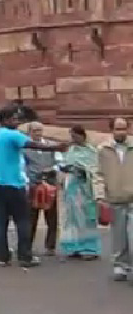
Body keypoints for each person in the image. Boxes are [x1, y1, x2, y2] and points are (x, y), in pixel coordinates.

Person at [0, 106, 67, 268]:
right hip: (14, 184)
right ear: (5, 120)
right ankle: (24, 257)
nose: (17, 122)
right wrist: (56, 147)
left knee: (1, 221)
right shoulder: (13, 134)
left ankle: (3, 256)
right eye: (14, 119)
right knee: (23, 221)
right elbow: (33, 145)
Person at [95, 117, 133, 282]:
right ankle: (120, 265)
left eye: (124, 128)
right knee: (119, 235)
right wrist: (99, 195)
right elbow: (98, 174)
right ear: (112, 130)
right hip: (115, 197)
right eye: (118, 129)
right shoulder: (103, 149)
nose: (121, 132)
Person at [58, 125, 101, 260]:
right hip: (71, 187)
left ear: (82, 136)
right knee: (71, 219)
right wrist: (66, 168)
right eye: (72, 136)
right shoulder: (70, 150)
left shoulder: (91, 151)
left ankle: (89, 248)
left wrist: (83, 170)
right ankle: (73, 247)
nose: (74, 139)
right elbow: (62, 163)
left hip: (85, 189)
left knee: (86, 218)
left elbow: (95, 170)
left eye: (76, 136)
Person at [24, 122, 60, 256]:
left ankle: (50, 246)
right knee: (31, 216)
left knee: (51, 216)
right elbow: (22, 165)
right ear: (30, 132)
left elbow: (58, 162)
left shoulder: (50, 145)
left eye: (40, 130)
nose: (38, 134)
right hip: (33, 184)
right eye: (35, 131)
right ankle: (27, 245)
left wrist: (53, 170)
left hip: (50, 184)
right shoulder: (25, 147)